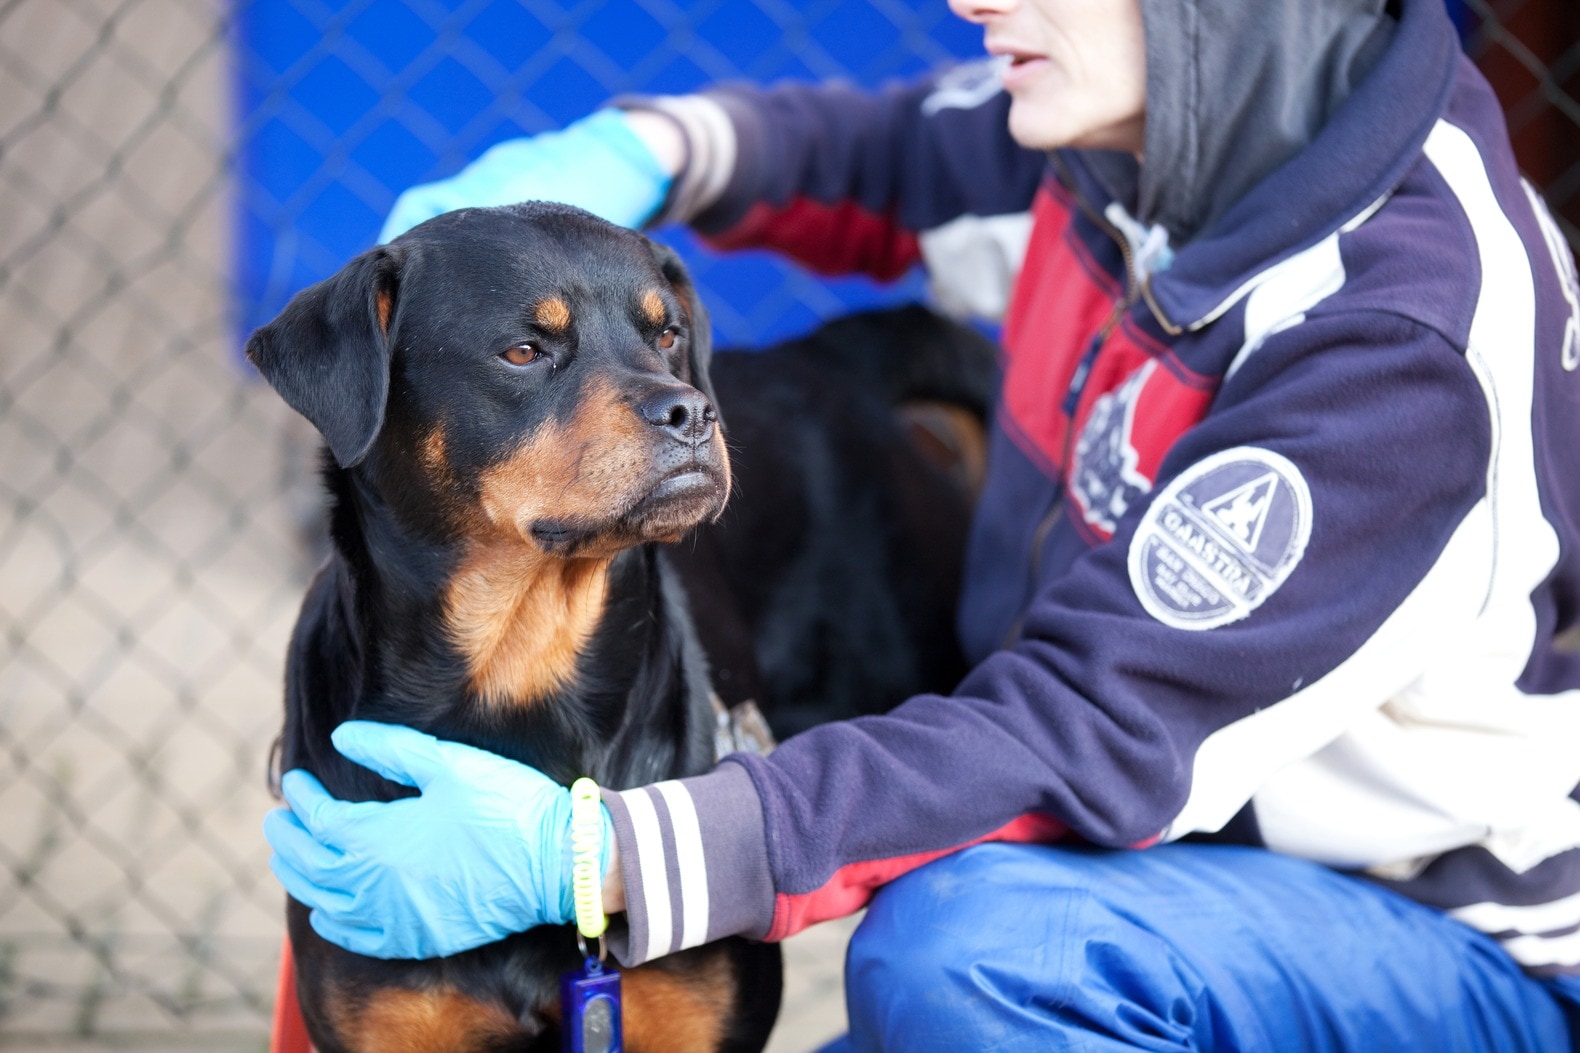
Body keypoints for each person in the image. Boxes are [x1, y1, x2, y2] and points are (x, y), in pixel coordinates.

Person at [264, 0, 1580, 1047]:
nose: (971, 1)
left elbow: (1090, 737)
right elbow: (885, 153)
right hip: (1192, 872)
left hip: (1445, 937)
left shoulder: (1388, 344)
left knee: (979, 952)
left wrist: (600, 858)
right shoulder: (1155, 126)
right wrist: (650, 151)